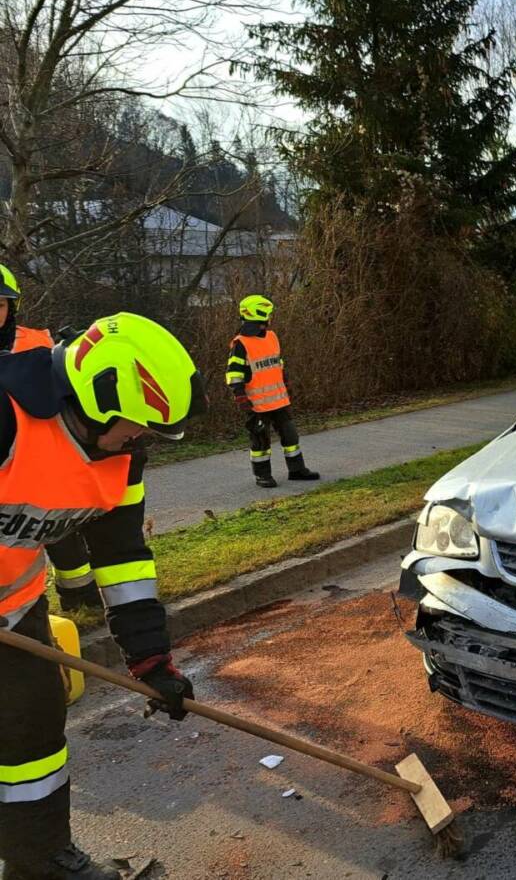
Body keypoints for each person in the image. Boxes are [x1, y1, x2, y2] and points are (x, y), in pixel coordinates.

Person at [0, 313, 204, 879]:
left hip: (13, 612)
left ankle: (37, 863)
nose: (142, 442)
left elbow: (123, 558)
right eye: (138, 427)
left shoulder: (120, 452)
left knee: (32, 735)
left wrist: (151, 660)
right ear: (94, 400)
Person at [0, 264, 99, 614]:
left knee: (57, 532)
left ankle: (78, 594)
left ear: (12, 308)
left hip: (42, 456)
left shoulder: (37, 342)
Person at [226, 296, 319, 489]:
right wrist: (240, 397)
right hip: (256, 404)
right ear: (261, 314)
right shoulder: (240, 344)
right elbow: (234, 374)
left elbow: (277, 364)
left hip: (279, 400)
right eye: (269, 314)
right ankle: (263, 476)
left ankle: (297, 470)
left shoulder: (272, 337)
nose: (271, 318)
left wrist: (286, 382)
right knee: (260, 441)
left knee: (291, 437)